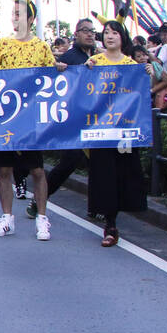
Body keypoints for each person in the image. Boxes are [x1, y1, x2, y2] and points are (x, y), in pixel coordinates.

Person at [0, 0, 66, 240]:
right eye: (13, 13)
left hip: (30, 120)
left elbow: (52, 72)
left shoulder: (41, 47)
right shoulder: (3, 45)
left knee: (38, 170)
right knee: (5, 170)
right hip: (5, 119)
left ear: (31, 19)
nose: (15, 17)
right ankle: (7, 218)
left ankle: (42, 219)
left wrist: (60, 68)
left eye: (19, 14)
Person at [85, 21, 148, 247]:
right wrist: (87, 70)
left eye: (114, 33)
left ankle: (116, 215)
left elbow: (140, 94)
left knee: (124, 171)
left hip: (124, 129)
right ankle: (110, 224)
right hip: (101, 130)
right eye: (107, 33)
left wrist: (147, 72)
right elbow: (84, 90)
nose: (110, 36)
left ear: (123, 37)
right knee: (105, 174)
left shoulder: (132, 64)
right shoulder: (94, 62)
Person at [35, 18, 99, 219]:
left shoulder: (99, 58)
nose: (89, 34)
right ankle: (39, 199)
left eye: (93, 31)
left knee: (98, 164)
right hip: (72, 120)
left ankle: (97, 206)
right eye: (85, 30)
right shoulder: (70, 58)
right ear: (76, 34)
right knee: (70, 161)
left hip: (96, 119)